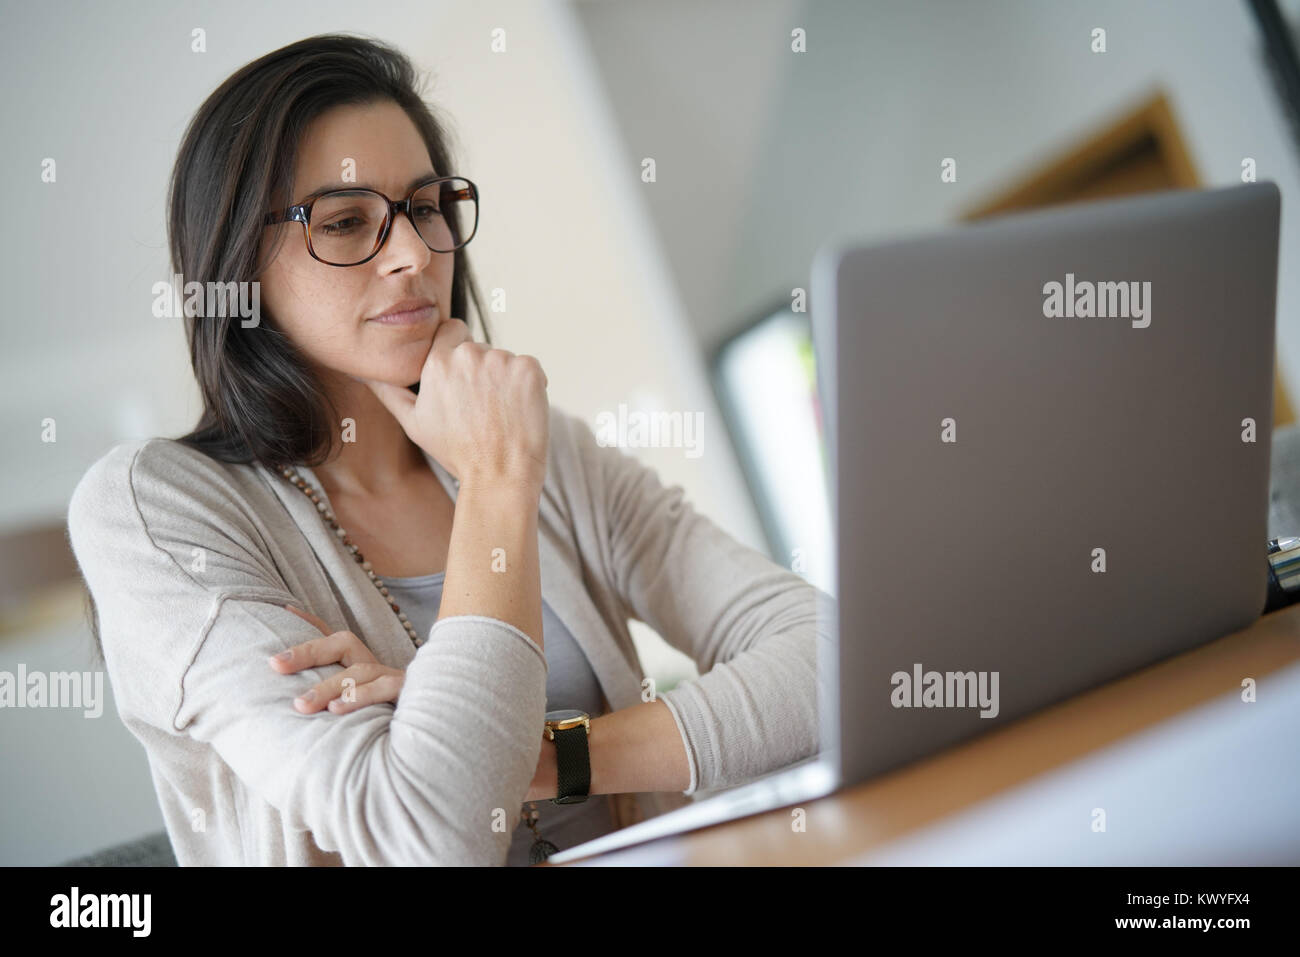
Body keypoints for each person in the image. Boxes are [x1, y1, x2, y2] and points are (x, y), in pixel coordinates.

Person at [67, 33, 829, 866]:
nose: (414, 255)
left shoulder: (536, 445)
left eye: (427, 206)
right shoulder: (154, 508)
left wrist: (543, 758)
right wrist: (499, 487)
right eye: (347, 220)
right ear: (237, 262)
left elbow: (831, 658)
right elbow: (432, 833)